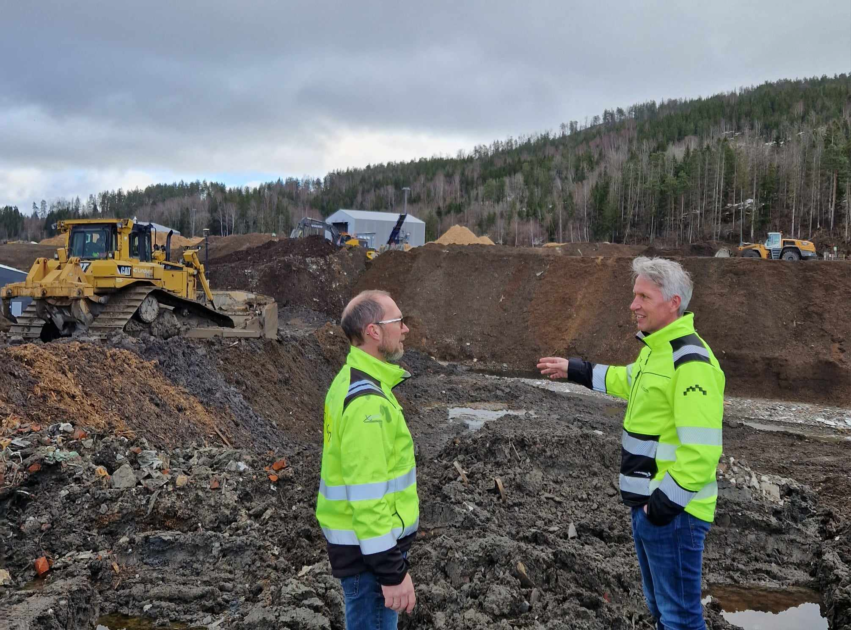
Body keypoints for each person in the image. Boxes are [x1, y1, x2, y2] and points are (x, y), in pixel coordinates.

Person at [537, 257, 724, 630]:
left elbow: (701, 453)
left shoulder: (691, 362)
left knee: (681, 618)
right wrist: (575, 369)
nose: (632, 305)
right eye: (634, 294)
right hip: (651, 509)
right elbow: (628, 379)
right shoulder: (656, 351)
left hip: (675, 515)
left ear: (673, 302)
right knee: (662, 612)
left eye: (643, 296)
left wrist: (660, 509)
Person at [316, 290, 418, 629]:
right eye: (398, 322)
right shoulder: (367, 404)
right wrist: (392, 573)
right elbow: (367, 498)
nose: (405, 330)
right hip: (371, 563)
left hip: (365, 556)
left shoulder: (350, 381)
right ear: (374, 331)